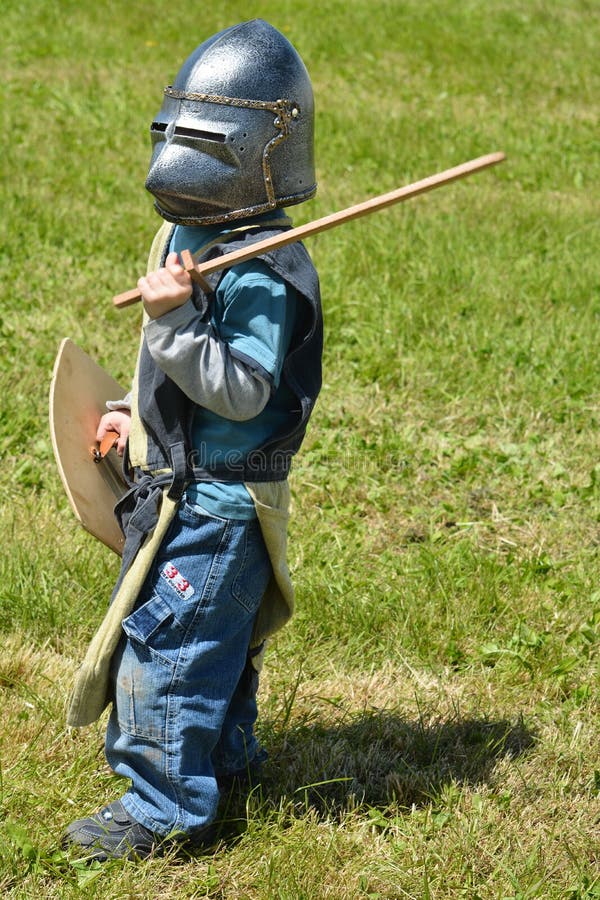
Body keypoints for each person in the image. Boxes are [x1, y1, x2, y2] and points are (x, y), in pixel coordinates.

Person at [63, 19, 322, 860]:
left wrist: (172, 320)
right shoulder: (191, 233)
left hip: (219, 501)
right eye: (172, 132)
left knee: (173, 644)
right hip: (179, 479)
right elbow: (176, 378)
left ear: (255, 146)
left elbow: (242, 393)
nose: (177, 152)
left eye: (200, 137)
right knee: (215, 636)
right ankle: (223, 757)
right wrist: (136, 422)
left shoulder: (262, 265)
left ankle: (165, 810)